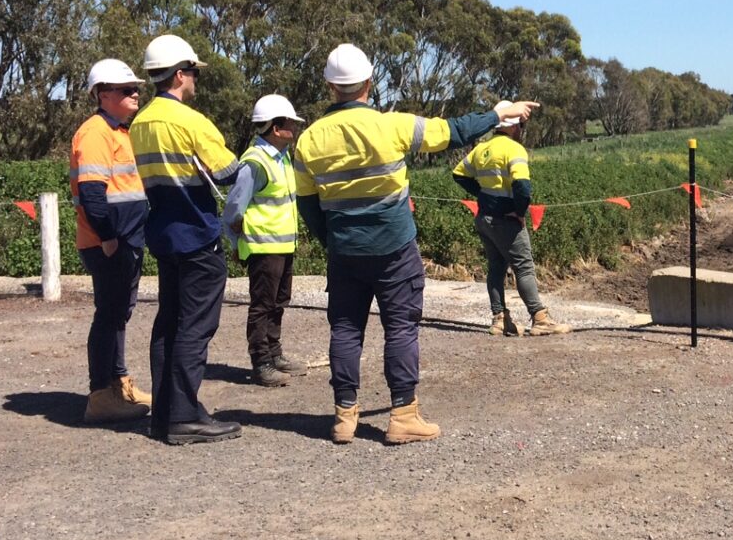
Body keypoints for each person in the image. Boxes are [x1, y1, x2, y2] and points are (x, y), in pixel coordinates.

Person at [292, 43, 538, 445]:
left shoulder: (309, 140)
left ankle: (343, 417)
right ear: (370, 83)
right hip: (394, 248)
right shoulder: (394, 126)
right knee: (401, 328)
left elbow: (309, 206)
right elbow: (454, 131)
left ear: (330, 87)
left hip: (344, 251)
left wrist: (333, 241)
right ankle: (403, 415)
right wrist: (498, 113)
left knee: (345, 328)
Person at [130, 34, 245, 446]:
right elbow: (228, 171)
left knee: (168, 324)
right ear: (179, 74)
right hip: (196, 236)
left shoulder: (139, 123)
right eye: (193, 72)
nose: (195, 80)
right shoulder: (191, 121)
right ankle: (184, 417)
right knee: (195, 328)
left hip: (162, 234)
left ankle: (164, 413)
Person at [70, 58, 154, 423]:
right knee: (109, 316)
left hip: (125, 240)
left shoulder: (119, 131)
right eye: (125, 89)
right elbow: (92, 193)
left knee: (118, 314)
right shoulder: (95, 133)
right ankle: (101, 393)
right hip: (110, 243)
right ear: (103, 94)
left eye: (135, 88)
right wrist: (107, 237)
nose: (135, 93)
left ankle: (117, 383)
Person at [451, 115, 572, 337]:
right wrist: (518, 212)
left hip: (484, 219)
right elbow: (522, 187)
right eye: (521, 126)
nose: (521, 130)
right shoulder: (514, 150)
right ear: (514, 126)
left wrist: (482, 195)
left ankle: (499, 320)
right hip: (506, 220)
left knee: (496, 267)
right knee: (524, 267)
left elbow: (458, 173)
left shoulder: (482, 149)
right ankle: (540, 318)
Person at [224, 95, 306, 387]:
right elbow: (234, 208)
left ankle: (274, 353)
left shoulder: (282, 158)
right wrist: (236, 243)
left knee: (278, 302)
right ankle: (261, 363)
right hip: (263, 246)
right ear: (275, 128)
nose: (294, 128)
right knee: (262, 304)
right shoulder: (255, 162)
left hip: (282, 245)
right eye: (289, 123)